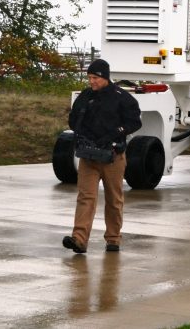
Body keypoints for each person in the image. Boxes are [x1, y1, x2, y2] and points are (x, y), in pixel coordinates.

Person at [63, 59, 142, 254]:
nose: (92, 81)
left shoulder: (122, 98)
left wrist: (114, 133)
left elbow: (135, 122)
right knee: (85, 197)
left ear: (105, 77)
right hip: (88, 157)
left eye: (95, 78)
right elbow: (73, 119)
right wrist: (84, 135)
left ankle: (113, 239)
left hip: (113, 157)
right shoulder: (85, 96)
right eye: (89, 77)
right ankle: (79, 240)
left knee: (114, 200)